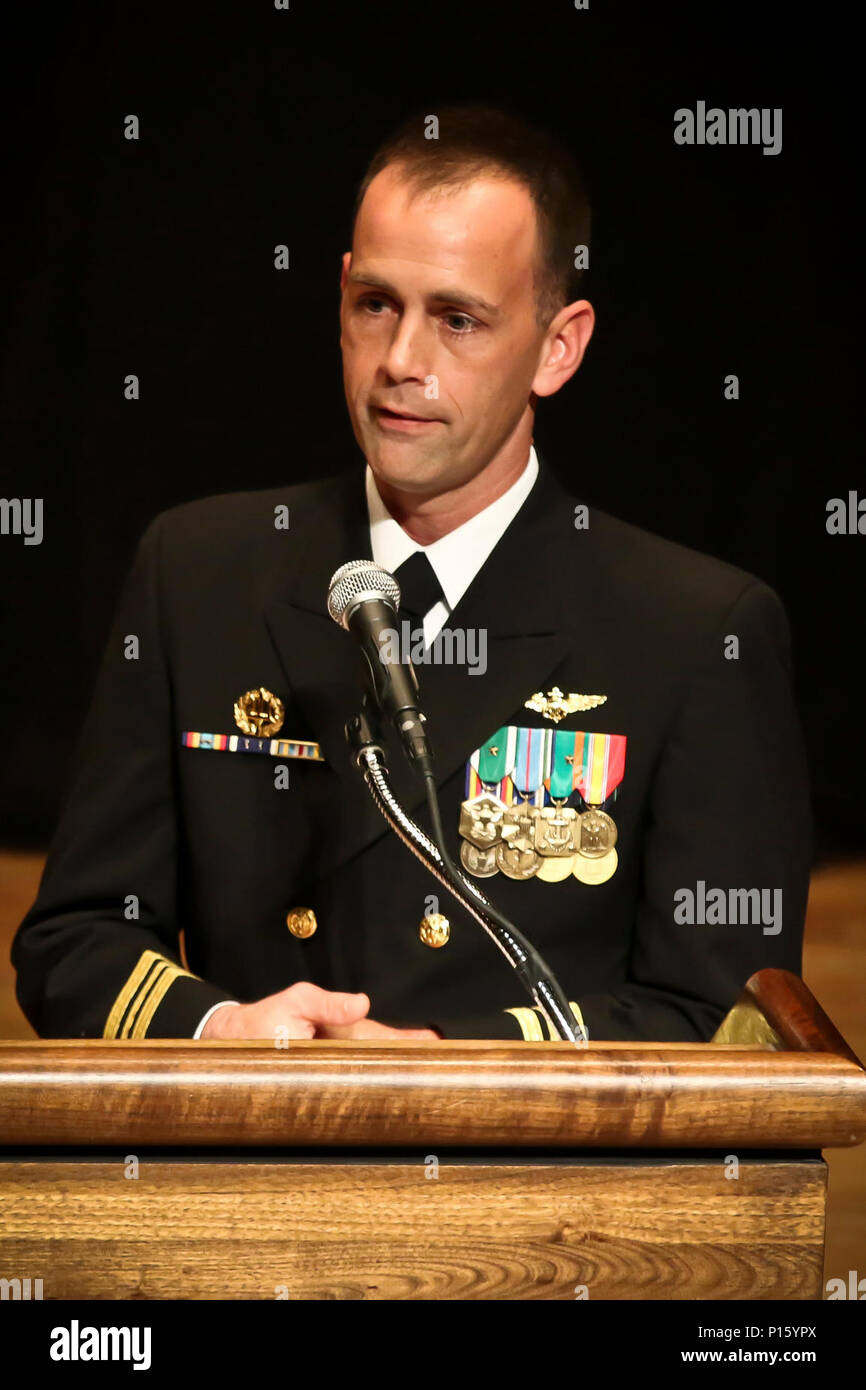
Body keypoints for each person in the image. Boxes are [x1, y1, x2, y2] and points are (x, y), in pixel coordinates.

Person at [12, 105, 811, 1044]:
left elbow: (716, 1011)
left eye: (459, 320)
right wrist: (221, 1027)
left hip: (529, 1181)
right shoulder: (197, 573)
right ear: (340, 294)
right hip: (248, 1171)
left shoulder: (694, 629)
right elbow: (75, 939)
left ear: (561, 346)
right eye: (376, 305)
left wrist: (449, 1074)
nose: (400, 361)